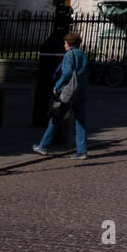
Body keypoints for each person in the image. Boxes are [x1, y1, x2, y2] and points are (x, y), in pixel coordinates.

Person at [32, 31, 89, 160]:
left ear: (69, 43)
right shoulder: (82, 54)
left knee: (55, 117)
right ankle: (82, 151)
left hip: (69, 91)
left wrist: (57, 86)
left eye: (65, 42)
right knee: (80, 121)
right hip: (82, 89)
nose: (64, 44)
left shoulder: (69, 54)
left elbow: (67, 73)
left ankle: (43, 145)